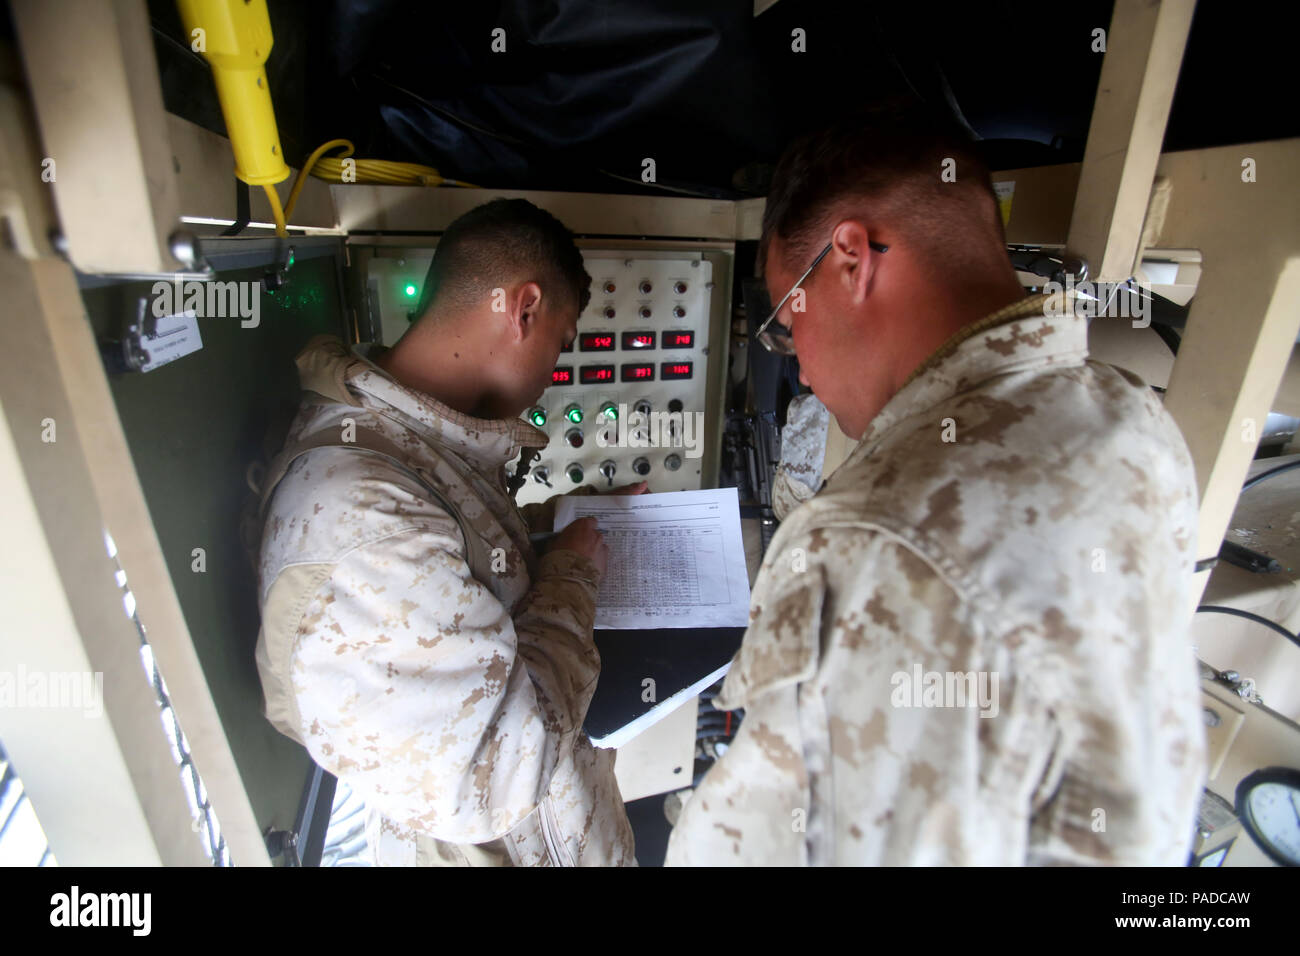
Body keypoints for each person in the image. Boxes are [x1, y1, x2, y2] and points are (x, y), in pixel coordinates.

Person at [666, 106, 1206, 865]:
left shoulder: (880, 538)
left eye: (789, 319)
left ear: (852, 258)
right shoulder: (1128, 414)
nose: (801, 365)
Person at [255, 198, 640, 865]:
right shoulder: (360, 514)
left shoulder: (411, 451)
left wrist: (564, 528)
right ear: (523, 309)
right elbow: (500, 771)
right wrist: (573, 573)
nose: (555, 369)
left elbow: (467, 565)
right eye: (562, 337)